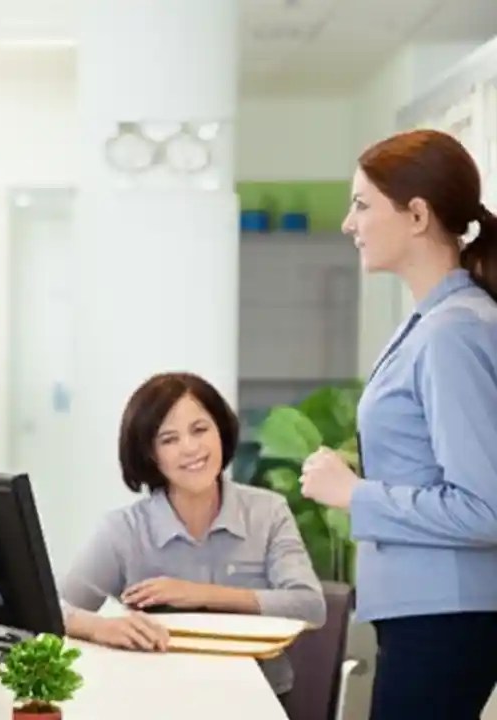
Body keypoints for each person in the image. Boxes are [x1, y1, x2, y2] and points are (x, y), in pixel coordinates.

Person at [299, 129, 497, 720]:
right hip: (427, 610)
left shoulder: (454, 329)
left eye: (362, 205)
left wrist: (354, 493)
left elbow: (486, 507)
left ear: (416, 215)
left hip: (446, 614)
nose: (347, 223)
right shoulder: (434, 320)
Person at [60, 372, 325, 699]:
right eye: (168, 439)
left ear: (221, 432)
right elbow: (52, 610)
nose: (190, 448)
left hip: (258, 700)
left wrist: (199, 594)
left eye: (200, 430)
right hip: (156, 700)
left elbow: (310, 606)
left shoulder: (268, 512)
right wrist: (100, 627)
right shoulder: (124, 529)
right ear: (149, 455)